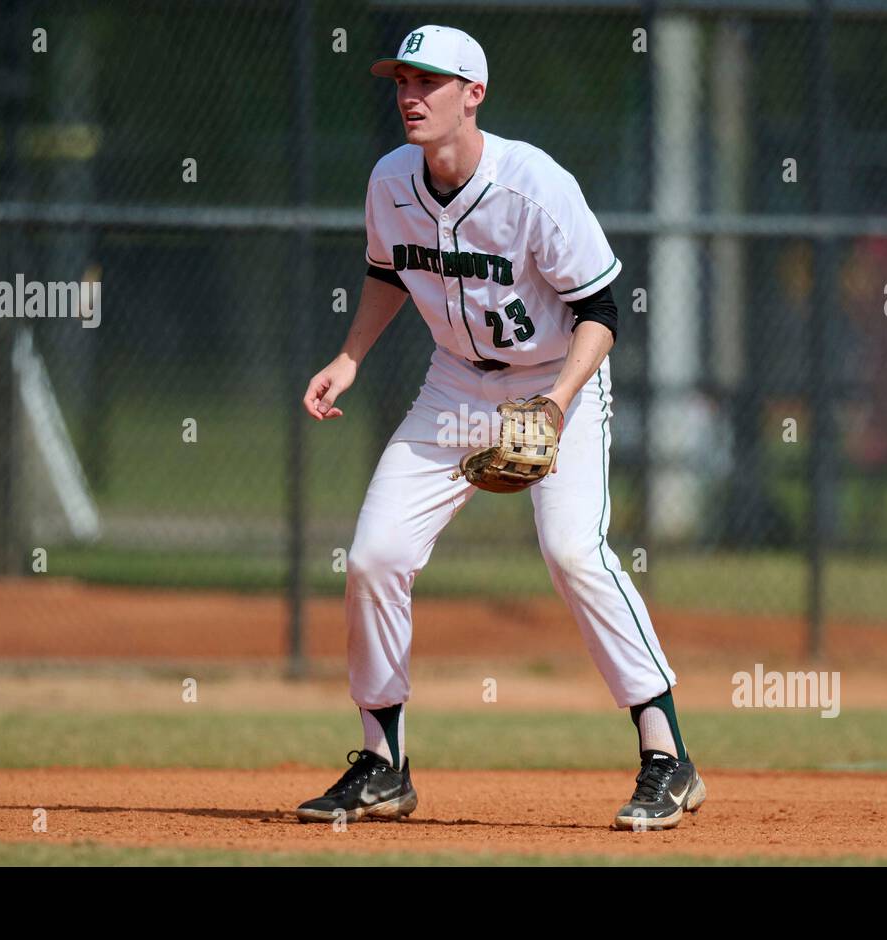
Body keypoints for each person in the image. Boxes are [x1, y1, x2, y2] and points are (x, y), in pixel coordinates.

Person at [297, 25, 704, 831]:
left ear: (472, 94)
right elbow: (387, 273)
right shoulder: (390, 181)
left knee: (572, 553)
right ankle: (383, 764)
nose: (410, 96)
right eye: (401, 82)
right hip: (452, 386)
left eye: (429, 83)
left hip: (558, 383)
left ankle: (668, 756)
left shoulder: (533, 186)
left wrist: (552, 406)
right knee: (375, 557)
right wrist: (348, 358)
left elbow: (602, 312)